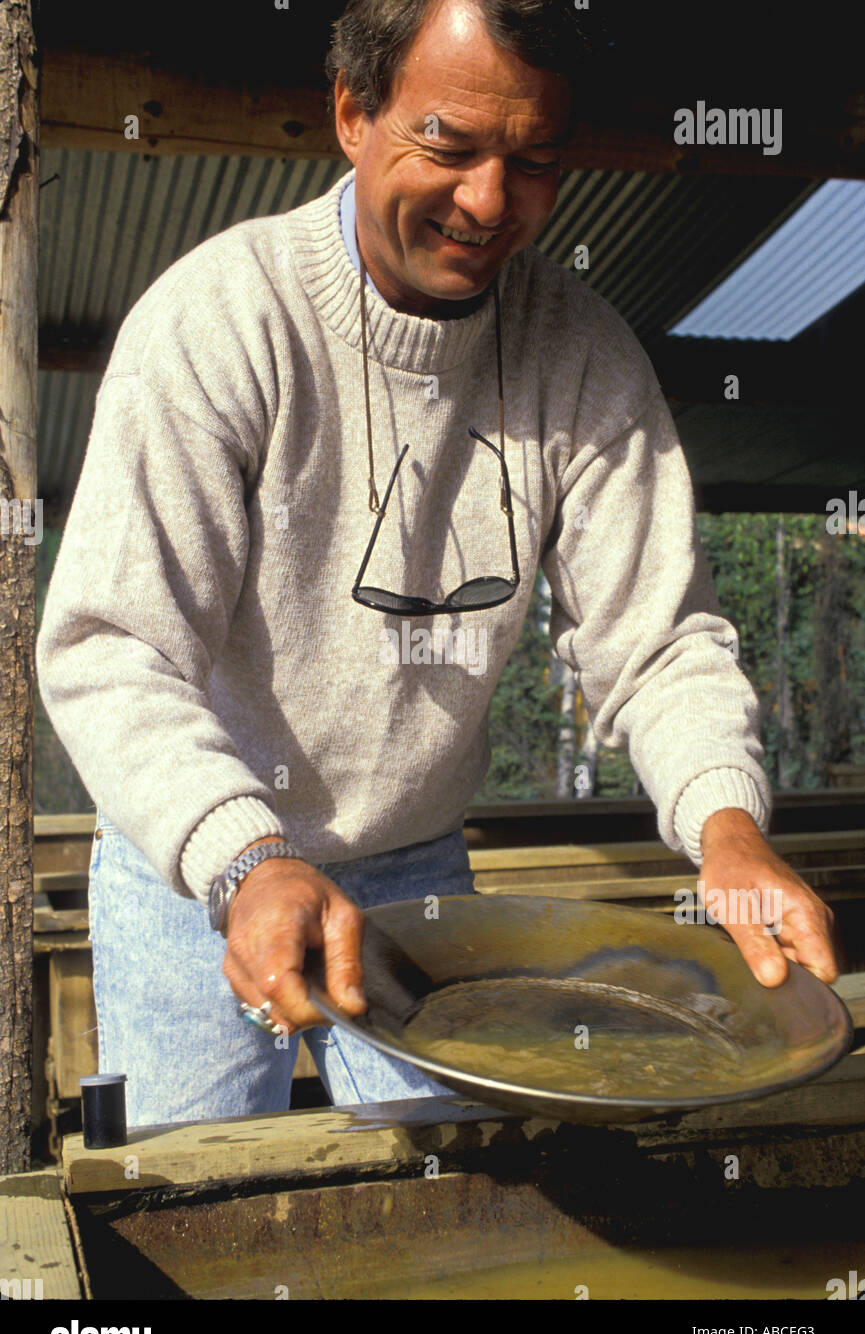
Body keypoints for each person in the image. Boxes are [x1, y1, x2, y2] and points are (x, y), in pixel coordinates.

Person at [36, 0, 838, 1127]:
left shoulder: (586, 361)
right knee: (190, 1186)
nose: (487, 204)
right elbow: (110, 649)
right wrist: (242, 856)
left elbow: (656, 648)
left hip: (411, 867)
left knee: (448, 1180)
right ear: (354, 113)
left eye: (535, 161)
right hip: (199, 863)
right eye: (449, 148)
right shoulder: (218, 323)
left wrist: (726, 828)